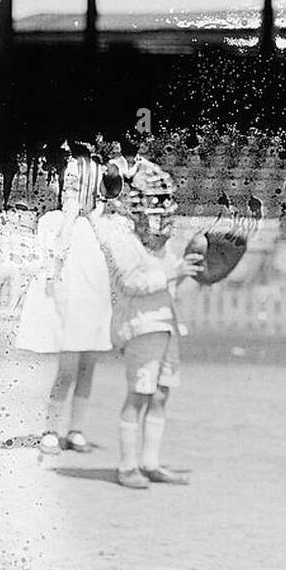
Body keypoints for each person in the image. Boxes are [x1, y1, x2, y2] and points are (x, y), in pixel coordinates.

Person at [93, 159, 203, 490]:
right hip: (140, 325)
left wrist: (194, 268)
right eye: (152, 198)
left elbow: (171, 280)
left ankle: (151, 462)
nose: (159, 206)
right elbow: (131, 283)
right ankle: (127, 465)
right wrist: (175, 271)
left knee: (160, 394)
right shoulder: (117, 234)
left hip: (165, 323)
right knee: (139, 395)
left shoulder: (155, 237)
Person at [15, 143, 114, 454]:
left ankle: (76, 430)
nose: (73, 189)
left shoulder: (102, 224)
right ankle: (50, 429)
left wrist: (94, 215)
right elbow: (52, 260)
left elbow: (112, 258)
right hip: (69, 306)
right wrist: (70, 218)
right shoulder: (52, 222)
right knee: (67, 370)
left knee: (88, 368)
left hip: (96, 304)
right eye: (68, 182)